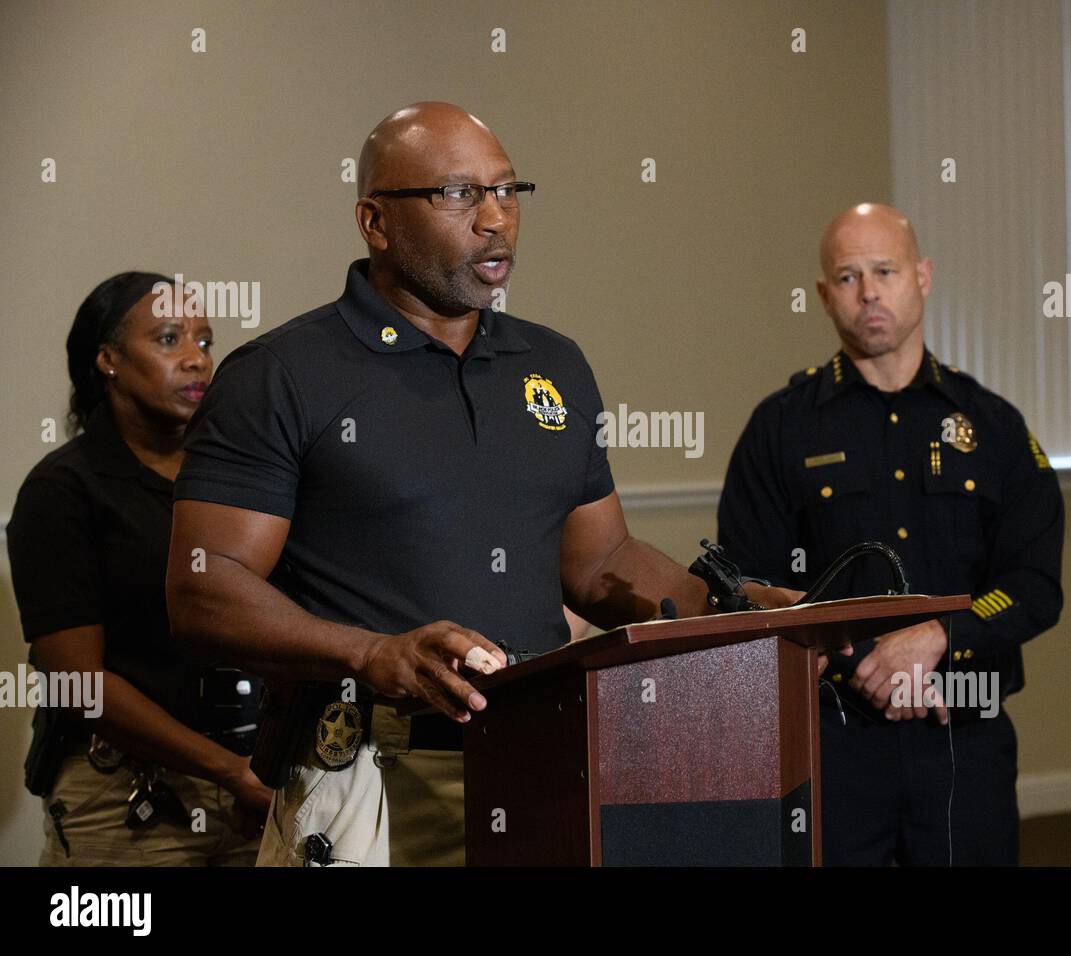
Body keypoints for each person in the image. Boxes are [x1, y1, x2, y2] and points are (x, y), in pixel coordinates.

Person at [165, 101, 795, 867]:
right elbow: (205, 587)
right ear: (375, 220)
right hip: (379, 773)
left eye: (508, 191)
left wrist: (737, 610)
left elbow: (599, 565)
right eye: (459, 195)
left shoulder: (552, 364)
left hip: (550, 759)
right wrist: (371, 654)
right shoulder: (284, 374)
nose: (497, 219)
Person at [717, 203, 1064, 865]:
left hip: (966, 731)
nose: (869, 291)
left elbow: (1034, 586)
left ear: (923, 277)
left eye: (885, 270)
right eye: (847, 277)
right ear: (824, 295)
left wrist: (937, 639)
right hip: (833, 739)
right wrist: (865, 662)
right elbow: (745, 587)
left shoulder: (993, 426)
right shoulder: (782, 428)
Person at [6, 272, 270, 866]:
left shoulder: (236, 474)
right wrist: (226, 769)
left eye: (205, 341)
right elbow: (77, 681)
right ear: (108, 360)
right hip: (126, 795)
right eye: (169, 339)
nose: (196, 361)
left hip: (257, 787)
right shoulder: (63, 488)